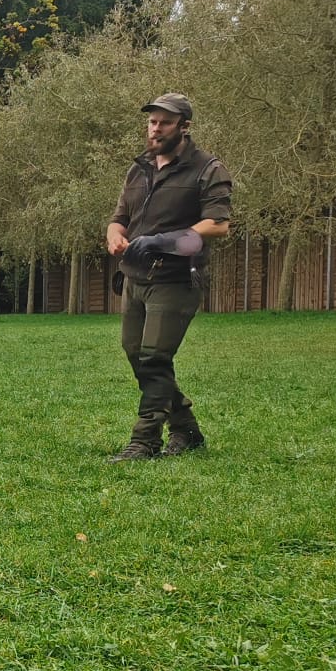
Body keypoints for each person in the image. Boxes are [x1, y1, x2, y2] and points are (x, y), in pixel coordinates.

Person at [105, 92, 233, 460]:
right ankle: (186, 429)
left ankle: (144, 441)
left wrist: (163, 240)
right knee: (136, 354)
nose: (155, 128)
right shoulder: (138, 168)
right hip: (134, 277)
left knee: (155, 357)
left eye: (164, 122)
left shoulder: (207, 169)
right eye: (151, 121)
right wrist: (115, 235)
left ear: (184, 126)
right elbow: (119, 217)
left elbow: (219, 224)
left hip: (176, 279)